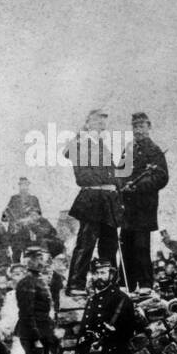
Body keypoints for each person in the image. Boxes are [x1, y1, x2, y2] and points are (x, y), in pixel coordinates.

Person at [65, 109, 122, 295]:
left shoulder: (102, 146)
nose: (100, 124)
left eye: (103, 122)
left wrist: (118, 184)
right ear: (88, 123)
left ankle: (109, 284)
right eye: (96, 121)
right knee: (86, 244)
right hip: (92, 200)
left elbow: (113, 174)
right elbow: (82, 176)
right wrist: (107, 182)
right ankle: (76, 284)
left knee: (109, 245)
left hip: (108, 201)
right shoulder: (81, 144)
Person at [118, 111, 169, 293]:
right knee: (125, 245)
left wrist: (139, 187)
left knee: (141, 246)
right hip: (128, 208)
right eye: (135, 126)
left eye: (141, 126)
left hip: (144, 208)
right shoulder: (129, 149)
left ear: (149, 127)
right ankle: (126, 284)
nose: (138, 130)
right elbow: (120, 173)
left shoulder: (154, 151)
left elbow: (162, 177)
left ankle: (145, 284)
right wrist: (123, 186)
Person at [2, 177, 43, 263]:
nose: (23, 187)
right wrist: (6, 215)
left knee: (30, 258)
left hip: (29, 233)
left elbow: (38, 215)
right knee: (16, 257)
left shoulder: (33, 199)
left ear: (28, 186)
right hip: (16, 234)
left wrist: (25, 221)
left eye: (25, 185)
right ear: (19, 186)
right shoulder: (14, 199)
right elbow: (4, 217)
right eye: (21, 185)